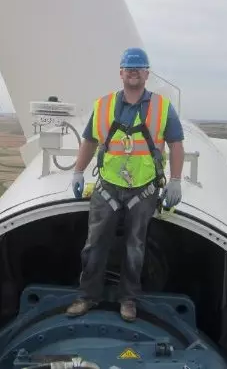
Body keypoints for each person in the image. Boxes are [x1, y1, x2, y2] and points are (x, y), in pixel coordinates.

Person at [66, 47, 184, 322]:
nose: (133, 72)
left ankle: (128, 300)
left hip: (143, 189)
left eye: (139, 68)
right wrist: (78, 171)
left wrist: (176, 180)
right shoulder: (104, 105)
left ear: (147, 73)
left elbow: (176, 144)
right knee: (94, 245)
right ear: (121, 73)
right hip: (108, 185)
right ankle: (86, 296)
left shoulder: (162, 107)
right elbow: (90, 140)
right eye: (129, 68)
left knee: (135, 247)